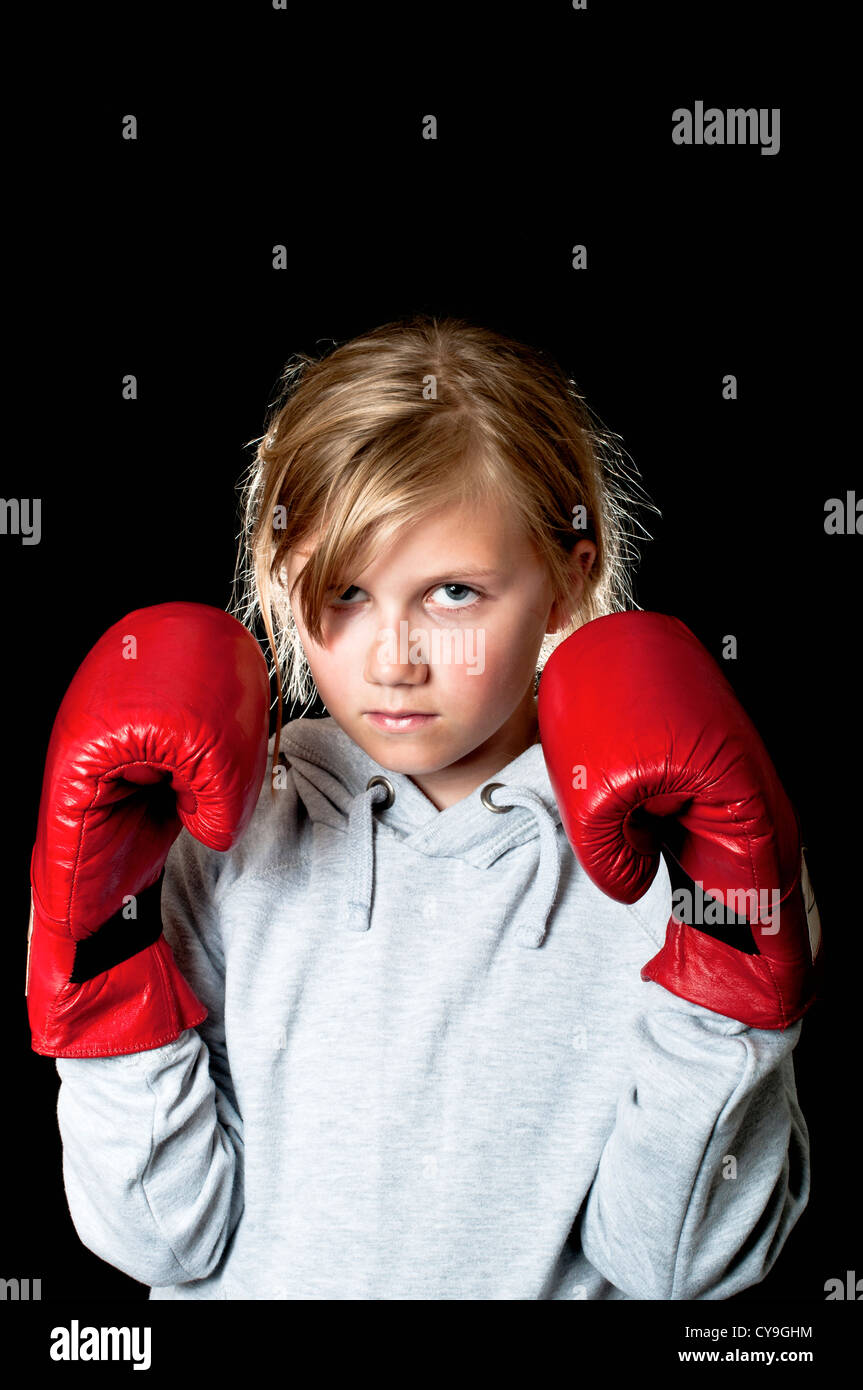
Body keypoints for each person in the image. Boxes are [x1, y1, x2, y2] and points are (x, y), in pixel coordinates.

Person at [39, 315, 815, 1299]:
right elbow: (161, 1240)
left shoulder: (678, 847)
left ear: (567, 578)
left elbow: (674, 1265)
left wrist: (729, 971)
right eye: (345, 592)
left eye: (452, 593)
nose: (393, 660)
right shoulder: (219, 835)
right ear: (280, 574)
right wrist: (99, 955)